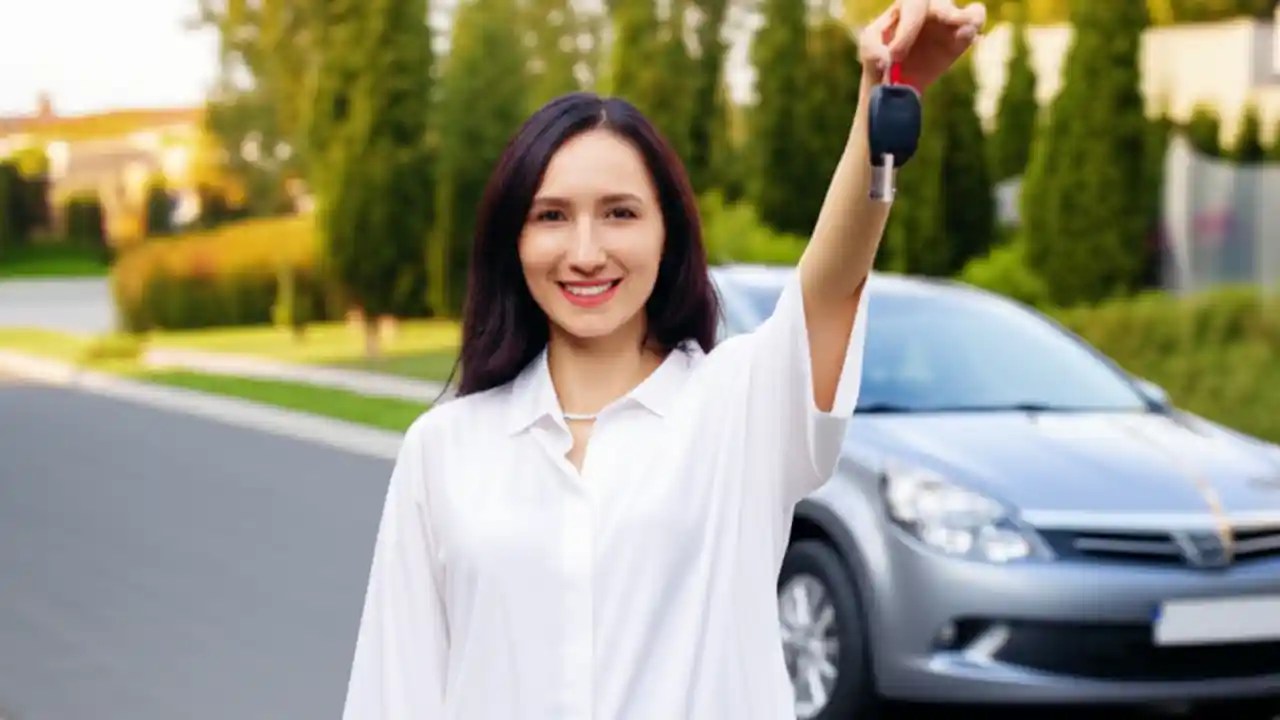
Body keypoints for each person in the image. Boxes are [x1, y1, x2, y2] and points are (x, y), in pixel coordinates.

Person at [341, 1, 985, 717]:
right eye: (551, 216)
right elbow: (394, 690)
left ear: (668, 234)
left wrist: (879, 106)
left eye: (620, 213)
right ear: (512, 241)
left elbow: (831, 284)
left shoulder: (737, 409)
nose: (586, 253)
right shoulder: (445, 449)